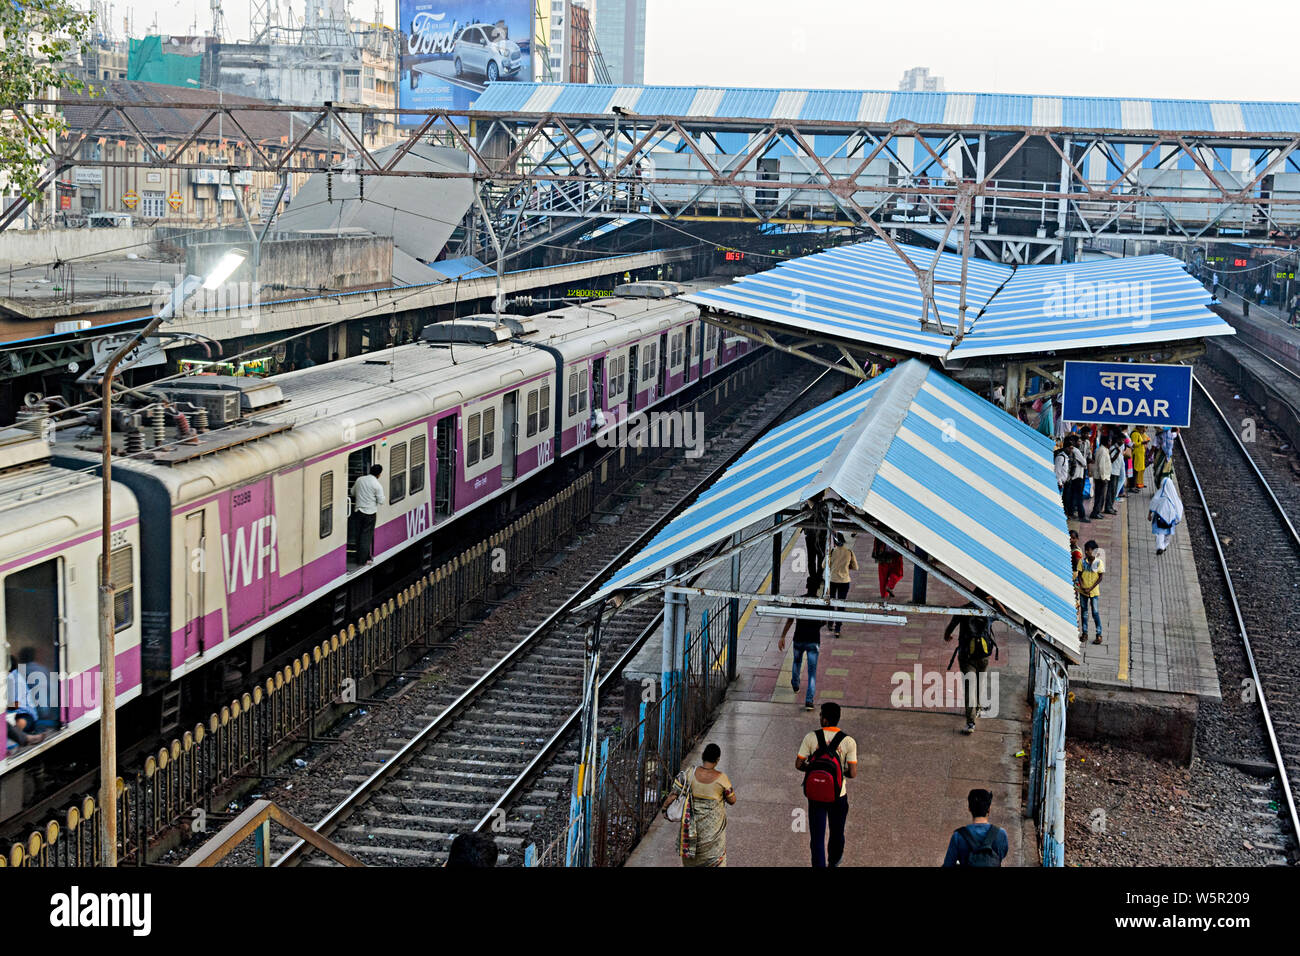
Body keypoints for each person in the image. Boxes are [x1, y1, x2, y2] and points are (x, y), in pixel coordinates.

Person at [796, 702, 857, 868]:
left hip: (816, 795)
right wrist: (837, 773)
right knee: (837, 833)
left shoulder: (811, 737)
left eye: (820, 715)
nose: (819, 717)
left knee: (817, 837)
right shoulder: (848, 741)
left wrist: (813, 768)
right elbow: (852, 773)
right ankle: (834, 861)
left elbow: (799, 764)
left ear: (824, 719)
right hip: (838, 795)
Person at [943, 597, 999, 734]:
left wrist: (948, 636)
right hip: (983, 656)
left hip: (966, 656)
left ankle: (970, 722)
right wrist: (995, 599)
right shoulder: (988, 611)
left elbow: (948, 631)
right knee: (980, 683)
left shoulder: (963, 610)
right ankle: (978, 708)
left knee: (969, 688)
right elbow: (1005, 615)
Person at [676, 742, 736, 867]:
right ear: (717, 760)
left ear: (703, 756)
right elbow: (732, 800)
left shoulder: (689, 773)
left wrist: (665, 809)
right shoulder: (722, 779)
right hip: (713, 841)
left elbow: (674, 793)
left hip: (691, 836)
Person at [779, 581, 824, 711]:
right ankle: (809, 701)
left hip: (798, 638)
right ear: (817, 589)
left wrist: (783, 636)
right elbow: (826, 620)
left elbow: (790, 619)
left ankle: (795, 684)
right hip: (813, 641)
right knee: (812, 673)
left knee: (797, 661)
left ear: (807, 587)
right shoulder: (820, 603)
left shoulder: (798, 600)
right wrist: (817, 626)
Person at [941, 788, 1009, 866]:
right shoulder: (1001, 834)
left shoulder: (958, 836)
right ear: (989, 809)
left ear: (969, 809)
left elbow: (948, 864)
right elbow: (1002, 854)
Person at [351, 464, 385, 566]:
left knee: (358, 535)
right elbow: (381, 501)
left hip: (358, 511)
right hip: (370, 513)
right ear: (379, 474)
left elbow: (352, 492)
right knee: (366, 537)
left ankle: (358, 557)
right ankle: (363, 560)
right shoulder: (377, 485)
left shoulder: (360, 480)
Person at [827, 533, 858, 635]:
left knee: (831, 602)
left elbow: (824, 565)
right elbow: (855, 567)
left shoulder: (832, 551)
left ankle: (830, 622)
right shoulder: (849, 552)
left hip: (833, 580)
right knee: (841, 604)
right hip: (844, 581)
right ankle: (838, 629)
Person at [1076, 539, 1105, 645]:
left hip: (1094, 592)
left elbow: (1100, 577)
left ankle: (1099, 634)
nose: (1086, 552)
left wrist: (1090, 588)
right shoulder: (1082, 562)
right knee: (1084, 613)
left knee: (1095, 613)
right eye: (1086, 550)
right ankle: (1085, 633)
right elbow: (1079, 574)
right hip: (1083, 591)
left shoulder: (1099, 563)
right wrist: (1083, 586)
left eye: (1088, 550)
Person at [1148, 474, 1185, 555]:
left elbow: (1153, 503)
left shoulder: (1159, 494)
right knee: (1168, 534)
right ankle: (1164, 546)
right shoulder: (1174, 497)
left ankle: (1160, 547)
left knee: (1160, 533)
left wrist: (1150, 513)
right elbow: (1179, 507)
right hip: (1171, 520)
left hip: (1159, 518)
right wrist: (1178, 519)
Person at [1066, 434, 1089, 522]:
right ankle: (1082, 515)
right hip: (1077, 476)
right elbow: (1084, 463)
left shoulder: (1073, 451)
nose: (1080, 442)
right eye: (1079, 441)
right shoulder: (1076, 451)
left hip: (1072, 476)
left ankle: (1071, 512)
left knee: (1072, 496)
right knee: (1079, 497)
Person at [1088, 434, 1112, 519]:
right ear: (1106, 442)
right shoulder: (1102, 451)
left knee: (1101, 496)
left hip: (1103, 477)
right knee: (1099, 496)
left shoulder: (1104, 450)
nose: (1110, 442)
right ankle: (1095, 512)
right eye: (1109, 441)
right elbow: (1101, 465)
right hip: (1101, 478)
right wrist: (1103, 477)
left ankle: (1097, 511)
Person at [1107, 434, 1124, 511]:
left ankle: (1111, 506)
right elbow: (1111, 460)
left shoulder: (1119, 448)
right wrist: (1117, 452)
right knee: (1111, 490)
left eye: (1123, 440)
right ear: (1117, 440)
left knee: (1114, 491)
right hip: (1113, 472)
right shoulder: (1114, 448)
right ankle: (1108, 507)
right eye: (1121, 440)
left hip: (1117, 472)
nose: (1123, 442)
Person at [1129, 425, 1149, 490]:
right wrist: (1142, 442)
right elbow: (1134, 444)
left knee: (1136, 472)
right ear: (1138, 427)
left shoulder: (1138, 433)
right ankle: (1132, 487)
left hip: (1139, 456)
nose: (1143, 429)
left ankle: (1134, 486)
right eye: (1142, 428)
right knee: (1134, 472)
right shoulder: (1135, 434)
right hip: (1136, 455)